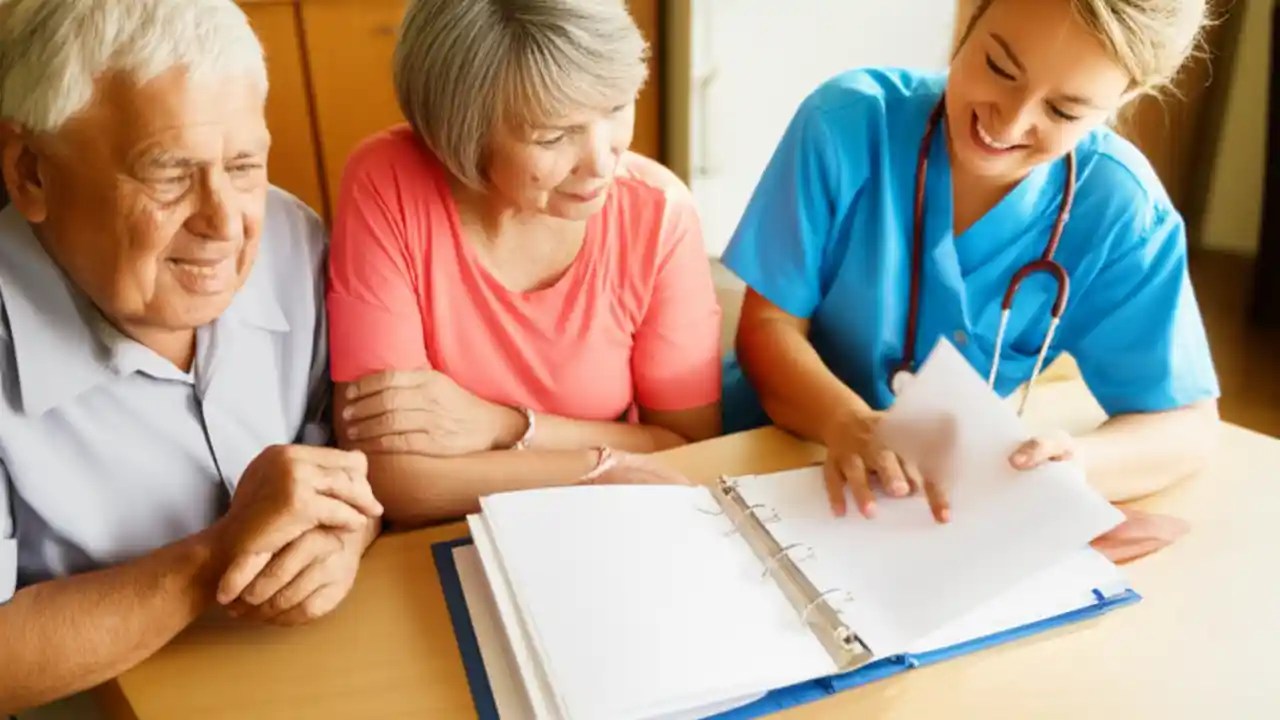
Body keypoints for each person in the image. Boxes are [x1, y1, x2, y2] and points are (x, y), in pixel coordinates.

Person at [0, 1, 383, 714]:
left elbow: (348, 448)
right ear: (30, 173)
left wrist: (348, 531)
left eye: (243, 166)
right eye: (169, 174)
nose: (224, 223)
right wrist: (215, 556)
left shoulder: (294, 239)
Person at [722, 0, 1221, 522]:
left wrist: (1079, 462)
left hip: (934, 506)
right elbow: (768, 328)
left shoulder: (1122, 211)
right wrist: (845, 422)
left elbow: (1185, 424)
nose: (1010, 121)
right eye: (999, 68)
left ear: (1125, 98)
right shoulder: (847, 125)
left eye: (1064, 111)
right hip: (772, 455)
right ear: (970, 17)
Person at [326, 0, 723, 526]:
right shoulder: (388, 183)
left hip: (616, 527)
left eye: (616, 108)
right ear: (461, 131)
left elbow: (688, 449)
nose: (603, 161)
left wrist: (505, 427)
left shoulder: (659, 214)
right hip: (440, 545)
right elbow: (396, 481)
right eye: (553, 136)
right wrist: (601, 466)